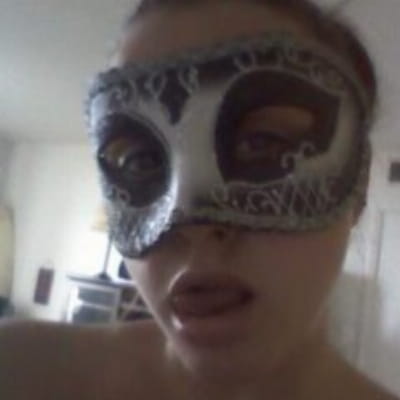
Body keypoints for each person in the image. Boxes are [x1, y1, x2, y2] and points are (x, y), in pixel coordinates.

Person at [1, 1, 399, 399]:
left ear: (358, 184)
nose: (189, 226)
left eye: (262, 143)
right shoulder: (20, 370)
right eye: (140, 161)